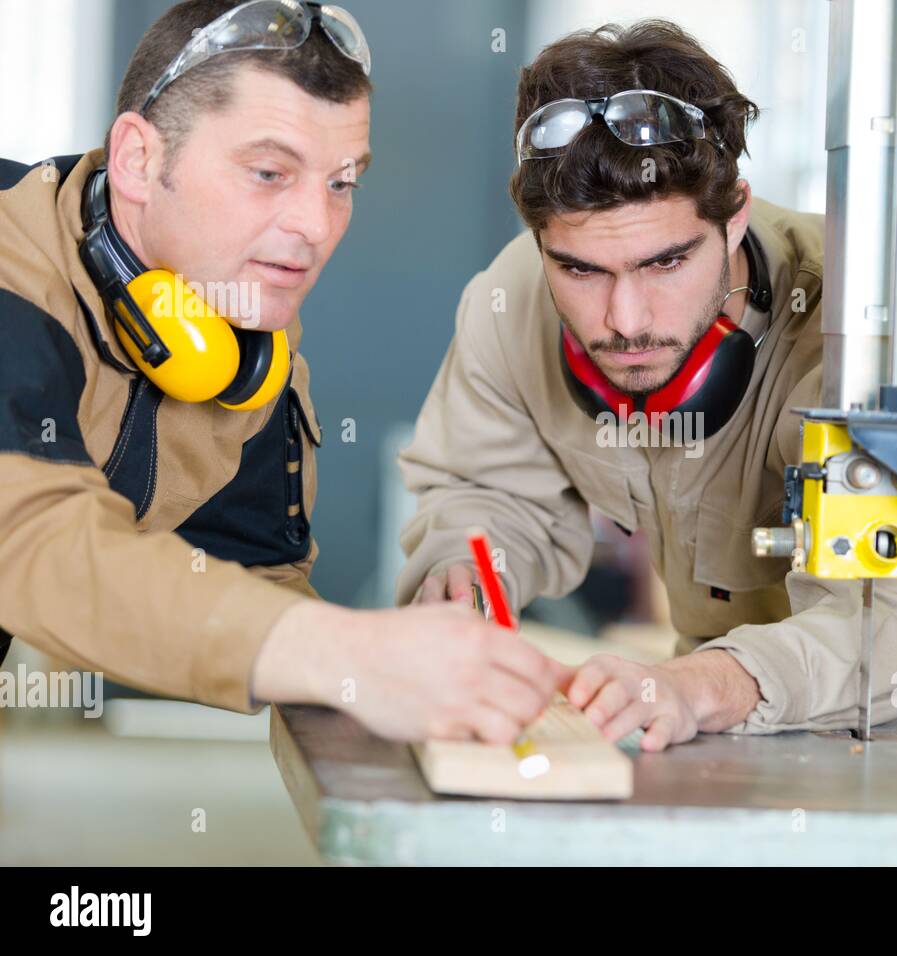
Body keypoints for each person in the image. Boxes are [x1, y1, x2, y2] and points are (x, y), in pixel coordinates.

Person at [399, 20, 897, 751]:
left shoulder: (862, 332)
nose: (624, 320)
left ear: (734, 214)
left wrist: (696, 687)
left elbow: (894, 617)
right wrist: (464, 571)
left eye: (665, 263)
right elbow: (486, 495)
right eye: (581, 270)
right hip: (724, 676)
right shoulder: (511, 301)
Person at [0, 0, 565, 744]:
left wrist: (420, 653)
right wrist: (345, 653)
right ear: (138, 158)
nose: (315, 226)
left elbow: (258, 577)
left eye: (341, 182)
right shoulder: (15, 268)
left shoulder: (238, 339)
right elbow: (32, 540)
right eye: (269, 172)